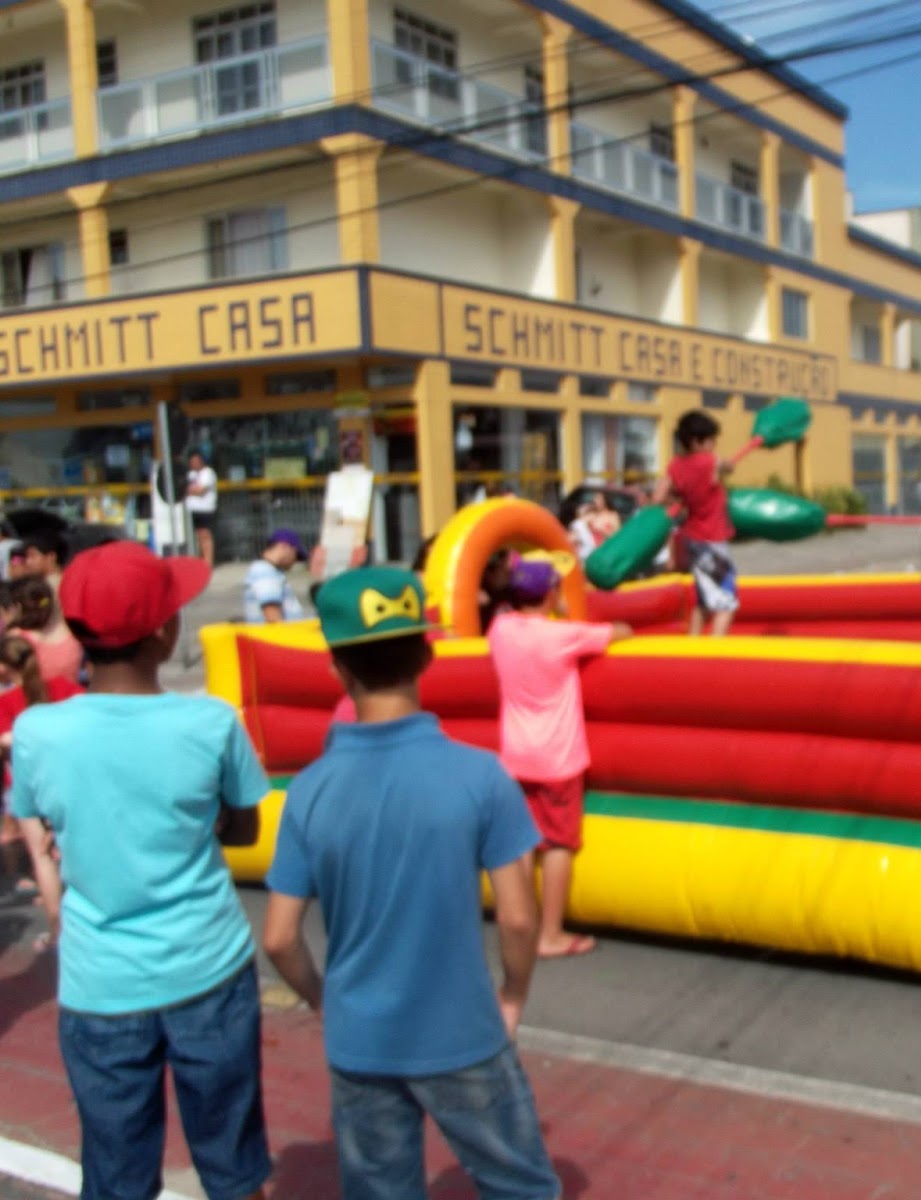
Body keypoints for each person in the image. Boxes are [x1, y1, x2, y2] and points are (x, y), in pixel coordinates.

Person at [262, 567, 559, 1200]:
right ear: (427, 654)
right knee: (520, 1184)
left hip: (359, 1040)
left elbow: (281, 937)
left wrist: (322, 1000)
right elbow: (518, 919)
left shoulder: (309, 789)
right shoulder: (482, 777)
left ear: (337, 668)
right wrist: (512, 993)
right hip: (464, 1030)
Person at [10, 540, 271, 1200]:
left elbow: (42, 818)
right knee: (234, 1163)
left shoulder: (41, 730)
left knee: (117, 1173)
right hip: (207, 967)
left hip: (99, 983)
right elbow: (244, 830)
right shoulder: (211, 722)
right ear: (163, 630)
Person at [489, 560, 630, 959]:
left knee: (519, 844)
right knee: (557, 846)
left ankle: (518, 924)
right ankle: (549, 934)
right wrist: (567, 612)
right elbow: (621, 631)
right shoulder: (562, 636)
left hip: (515, 755)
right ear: (551, 594)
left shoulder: (501, 630)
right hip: (556, 759)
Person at [0, 633, 83, 943]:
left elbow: (5, 739)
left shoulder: (0, 701)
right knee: (78, 850)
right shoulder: (59, 687)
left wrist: (6, 747)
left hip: (27, 785)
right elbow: (87, 706)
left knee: (41, 856)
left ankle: (58, 931)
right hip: (68, 779)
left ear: (2, 667)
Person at [650, 410, 738, 637]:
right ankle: (714, 657)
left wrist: (681, 499)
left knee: (704, 601)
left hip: (693, 539)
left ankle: (693, 648)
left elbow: (658, 497)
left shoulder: (676, 465)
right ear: (696, 441)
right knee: (726, 603)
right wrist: (722, 467)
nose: (714, 445)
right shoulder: (710, 461)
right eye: (711, 440)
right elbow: (728, 466)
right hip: (713, 540)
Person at [7, 577, 83, 684]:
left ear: (18, 607)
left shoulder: (17, 637)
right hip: (71, 697)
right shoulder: (73, 635)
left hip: (32, 699)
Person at [244, 528, 307, 623]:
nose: (295, 562)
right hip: (277, 636)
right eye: (296, 555)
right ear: (285, 546)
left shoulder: (268, 570)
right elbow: (272, 616)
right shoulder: (265, 572)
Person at [185, 451, 219, 568]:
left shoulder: (208, 473)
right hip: (193, 510)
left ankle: (208, 563)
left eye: (196, 461)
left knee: (206, 536)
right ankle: (201, 560)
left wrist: (188, 490)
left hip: (206, 510)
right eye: (192, 462)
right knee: (198, 537)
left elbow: (200, 491)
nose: (193, 464)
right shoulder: (191, 474)